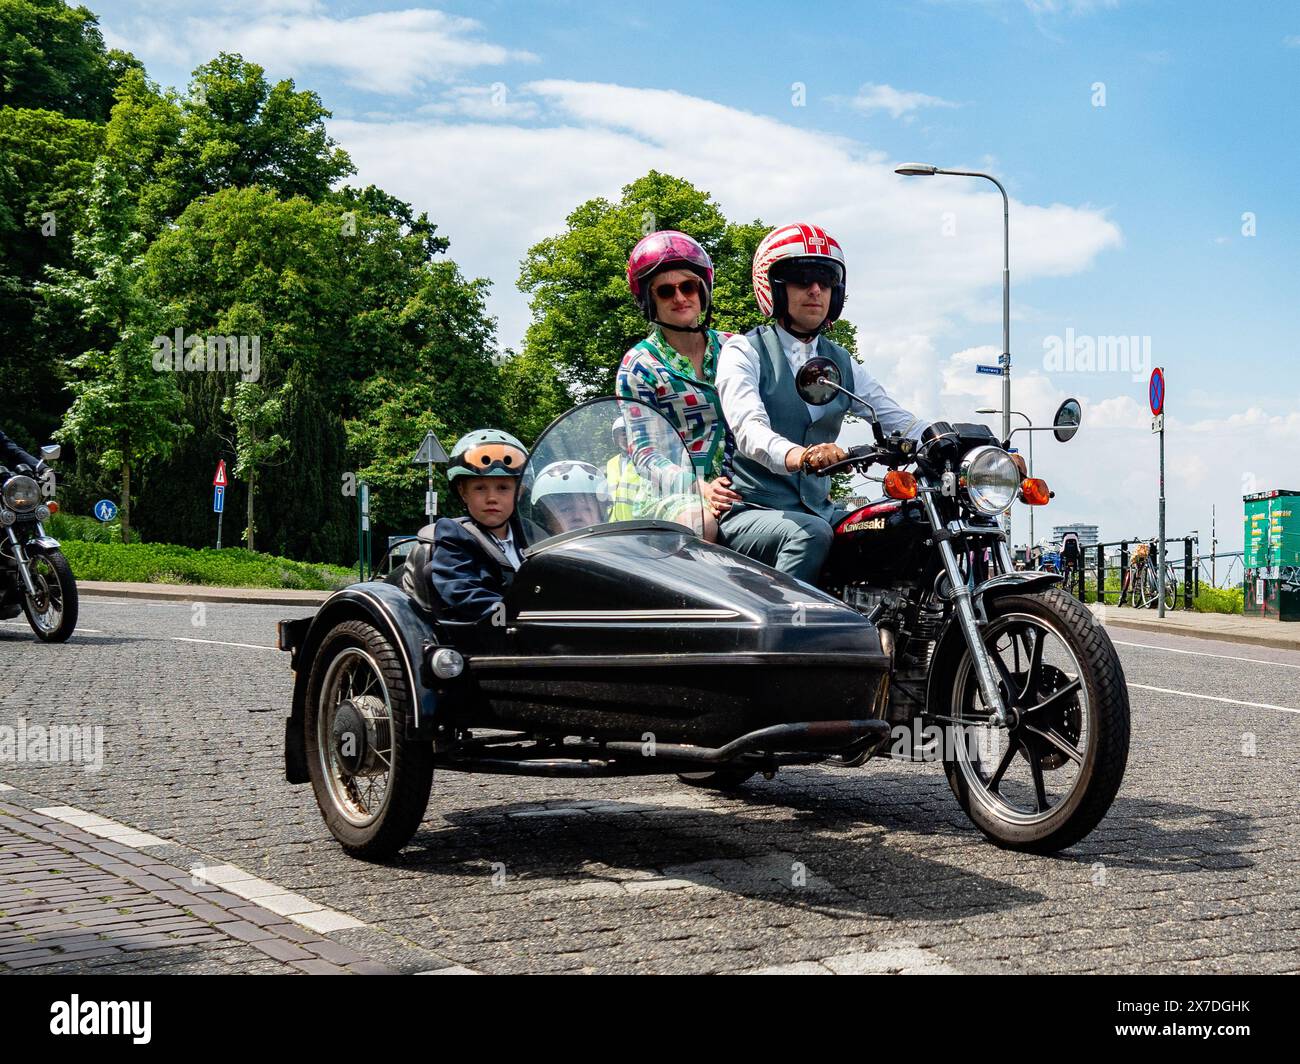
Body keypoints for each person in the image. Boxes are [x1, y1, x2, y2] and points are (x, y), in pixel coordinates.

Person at [716, 222, 929, 585]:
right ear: (775, 288)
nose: (816, 290)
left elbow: (892, 415)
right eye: (802, 278)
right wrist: (801, 455)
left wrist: (964, 443)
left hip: (821, 510)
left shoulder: (840, 360)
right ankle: (782, 637)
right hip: (753, 512)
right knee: (808, 534)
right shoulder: (744, 351)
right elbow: (749, 429)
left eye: (826, 280)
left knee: (901, 523)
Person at [616, 230, 741, 542]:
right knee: (702, 524)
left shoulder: (735, 348)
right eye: (666, 291)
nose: (680, 297)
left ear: (703, 291)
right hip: (675, 497)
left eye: (688, 286)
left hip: (745, 483)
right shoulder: (640, 365)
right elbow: (645, 453)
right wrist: (699, 487)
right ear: (649, 301)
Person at [427, 429, 529, 622]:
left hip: (541, 629)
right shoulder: (454, 534)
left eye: (503, 488)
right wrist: (515, 614)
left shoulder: (532, 534)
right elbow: (460, 590)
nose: (492, 498)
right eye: (480, 488)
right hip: (489, 637)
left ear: (519, 492)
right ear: (463, 492)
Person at [530, 460, 611, 537]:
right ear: (546, 518)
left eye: (587, 509)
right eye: (566, 510)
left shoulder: (618, 549)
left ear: (601, 516)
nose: (577, 517)